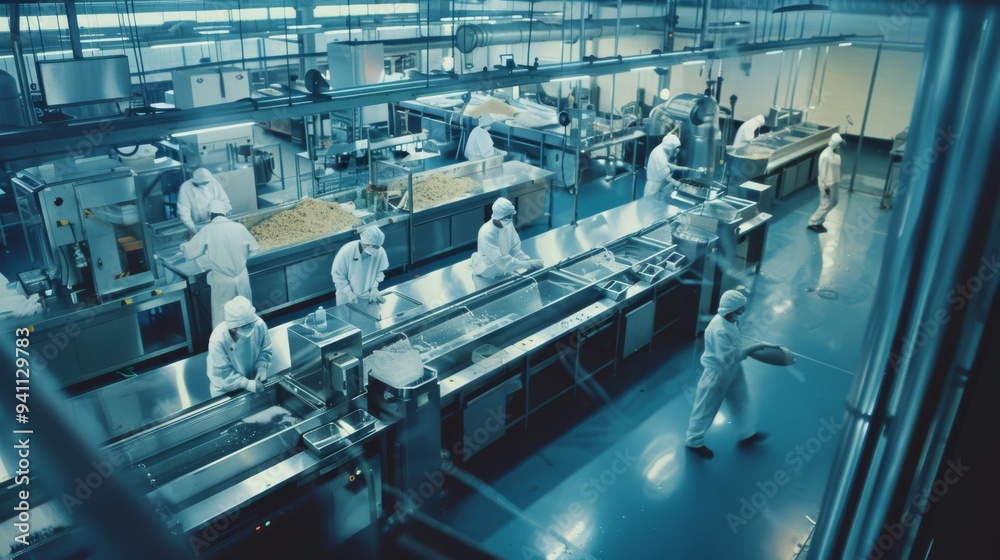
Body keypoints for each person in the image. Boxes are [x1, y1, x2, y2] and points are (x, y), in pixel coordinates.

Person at [685, 290, 767, 459]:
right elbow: (728, 358)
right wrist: (754, 348)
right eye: (740, 308)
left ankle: (747, 433)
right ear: (731, 309)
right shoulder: (719, 329)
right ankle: (694, 441)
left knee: (741, 399)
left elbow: (734, 348)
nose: (743, 311)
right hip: (718, 373)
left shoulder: (730, 320)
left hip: (734, 369)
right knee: (706, 407)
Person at [181, 199, 259, 329]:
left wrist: (184, 246)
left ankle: (228, 346)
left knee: (223, 318)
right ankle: (250, 340)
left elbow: (190, 253)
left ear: (210, 214)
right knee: (246, 313)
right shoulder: (239, 227)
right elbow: (255, 248)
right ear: (224, 213)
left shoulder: (207, 230)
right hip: (242, 277)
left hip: (223, 281)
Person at [207, 296, 273, 397]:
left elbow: (265, 348)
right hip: (225, 391)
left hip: (252, 381)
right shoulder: (218, 340)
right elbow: (222, 374)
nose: (247, 328)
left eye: (249, 324)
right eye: (242, 326)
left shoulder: (259, 325)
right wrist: (246, 384)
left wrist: (261, 366)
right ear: (231, 326)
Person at [471, 197, 543, 279]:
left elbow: (514, 248)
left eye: (511, 216)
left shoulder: (507, 224)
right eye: (507, 217)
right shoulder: (487, 233)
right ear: (498, 217)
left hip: (508, 266)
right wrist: (525, 264)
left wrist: (525, 260)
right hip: (490, 270)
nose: (510, 219)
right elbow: (500, 261)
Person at [331, 226, 389, 306]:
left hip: (368, 297)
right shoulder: (347, 251)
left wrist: (374, 289)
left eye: (377, 247)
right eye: (372, 246)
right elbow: (338, 275)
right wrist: (348, 293)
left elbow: (380, 272)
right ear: (364, 241)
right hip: (346, 298)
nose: (374, 249)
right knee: (346, 317)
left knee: (370, 317)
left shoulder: (380, 252)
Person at [645, 133, 707, 198]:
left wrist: (685, 169)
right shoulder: (659, 155)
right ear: (669, 148)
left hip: (660, 185)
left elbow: (668, 165)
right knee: (651, 205)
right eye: (674, 149)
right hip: (654, 187)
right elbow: (667, 176)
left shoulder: (662, 149)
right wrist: (681, 185)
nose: (675, 150)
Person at [177, 167, 232, 235]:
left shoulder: (214, 183)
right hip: (197, 225)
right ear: (194, 181)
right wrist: (191, 227)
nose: (204, 186)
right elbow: (183, 210)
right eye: (202, 184)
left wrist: (221, 216)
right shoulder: (185, 187)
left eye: (206, 183)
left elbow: (225, 202)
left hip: (216, 224)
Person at [807, 133, 844, 233]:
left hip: (833, 182)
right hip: (827, 183)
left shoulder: (833, 153)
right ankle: (813, 222)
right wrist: (825, 187)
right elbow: (822, 173)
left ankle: (819, 220)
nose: (839, 146)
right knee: (825, 204)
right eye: (838, 144)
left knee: (833, 201)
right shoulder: (826, 156)